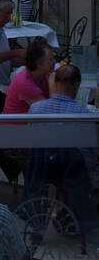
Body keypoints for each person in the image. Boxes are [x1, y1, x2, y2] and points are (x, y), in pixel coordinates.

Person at [24, 64, 98, 232]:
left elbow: (31, 140)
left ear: (54, 82)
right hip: (74, 172)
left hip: (42, 168)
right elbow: (95, 151)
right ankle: (82, 215)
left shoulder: (36, 110)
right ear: (77, 84)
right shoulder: (85, 116)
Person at [2, 37, 53, 113]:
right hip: (16, 124)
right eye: (51, 60)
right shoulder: (25, 83)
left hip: (32, 122)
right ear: (39, 64)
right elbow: (49, 113)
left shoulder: (43, 75)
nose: (55, 62)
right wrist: (53, 84)